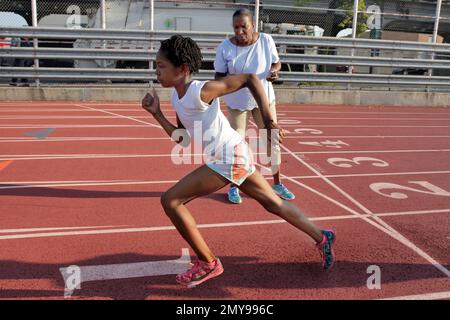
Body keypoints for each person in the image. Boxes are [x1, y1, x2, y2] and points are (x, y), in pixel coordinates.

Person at [141, 35, 336, 288]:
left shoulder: (202, 90)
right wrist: (157, 114)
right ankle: (323, 237)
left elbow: (250, 79)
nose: (156, 71)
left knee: (171, 200)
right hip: (234, 155)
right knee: (274, 203)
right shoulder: (177, 98)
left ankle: (208, 262)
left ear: (183, 69)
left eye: (161, 66)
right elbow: (184, 140)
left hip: (229, 157)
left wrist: (268, 122)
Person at [214, 8, 294, 204]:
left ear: (253, 26)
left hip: (263, 101)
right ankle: (235, 185)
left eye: (244, 27)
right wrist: (232, 82)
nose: (240, 32)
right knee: (237, 144)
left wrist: (274, 72)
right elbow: (218, 76)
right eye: (236, 28)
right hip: (237, 103)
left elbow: (276, 63)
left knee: (272, 140)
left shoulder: (266, 41)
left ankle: (277, 183)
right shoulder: (225, 47)